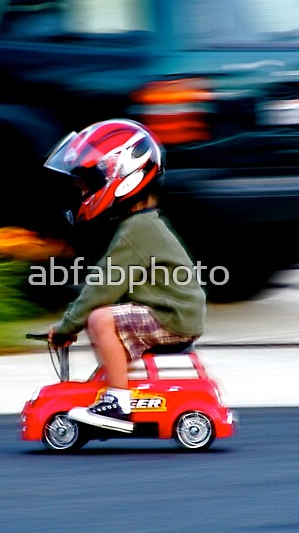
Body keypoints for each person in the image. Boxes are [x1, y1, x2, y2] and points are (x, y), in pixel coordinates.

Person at [45, 119, 206, 433]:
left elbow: (103, 286)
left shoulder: (138, 230)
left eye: (86, 183)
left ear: (121, 178)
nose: (81, 191)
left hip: (172, 316)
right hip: (174, 313)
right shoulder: (141, 225)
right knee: (105, 318)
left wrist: (67, 325)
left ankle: (118, 403)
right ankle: (115, 391)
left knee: (100, 318)